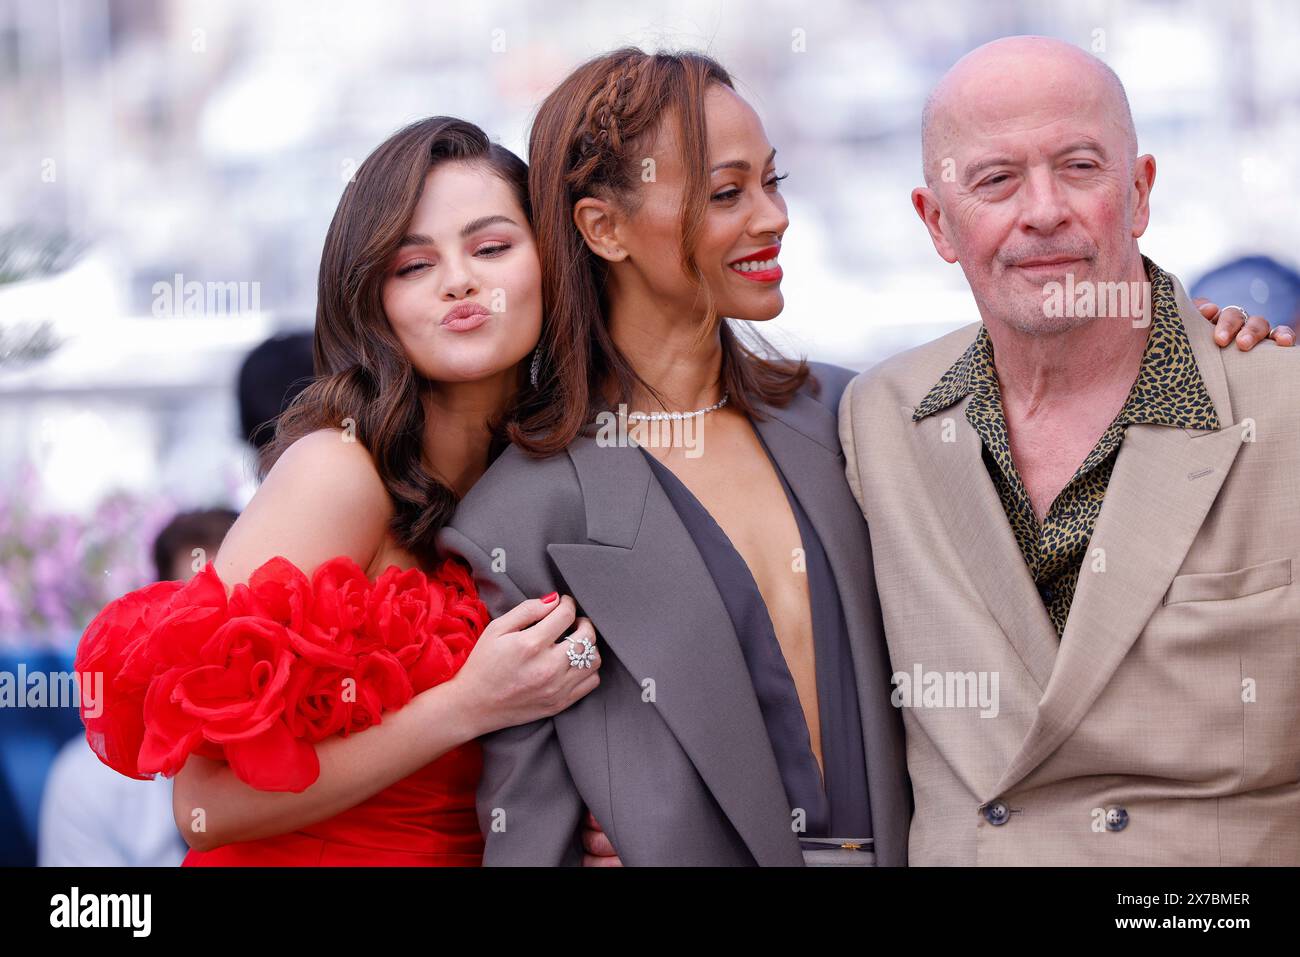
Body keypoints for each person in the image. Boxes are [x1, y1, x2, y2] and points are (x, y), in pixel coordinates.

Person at [437, 47, 1280, 868]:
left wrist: (1208, 339)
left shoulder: (854, 415)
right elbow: (531, 827)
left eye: (772, 182)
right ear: (604, 228)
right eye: (727, 192)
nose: (773, 217)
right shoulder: (523, 518)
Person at [74, 118, 601, 867]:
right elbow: (201, 805)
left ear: (549, 265)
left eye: (490, 248)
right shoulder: (339, 471)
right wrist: (464, 704)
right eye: (413, 264)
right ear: (370, 299)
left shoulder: (561, 473)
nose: (459, 280)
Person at [839, 36, 1298, 865]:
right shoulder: (879, 420)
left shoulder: (1284, 406)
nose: (1043, 209)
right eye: (996, 179)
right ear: (937, 221)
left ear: (1139, 192)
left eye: (1080, 166)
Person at [39, 510, 235, 867]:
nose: (221, 642)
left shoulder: (311, 762)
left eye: (238, 615)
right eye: (199, 616)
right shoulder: (86, 783)